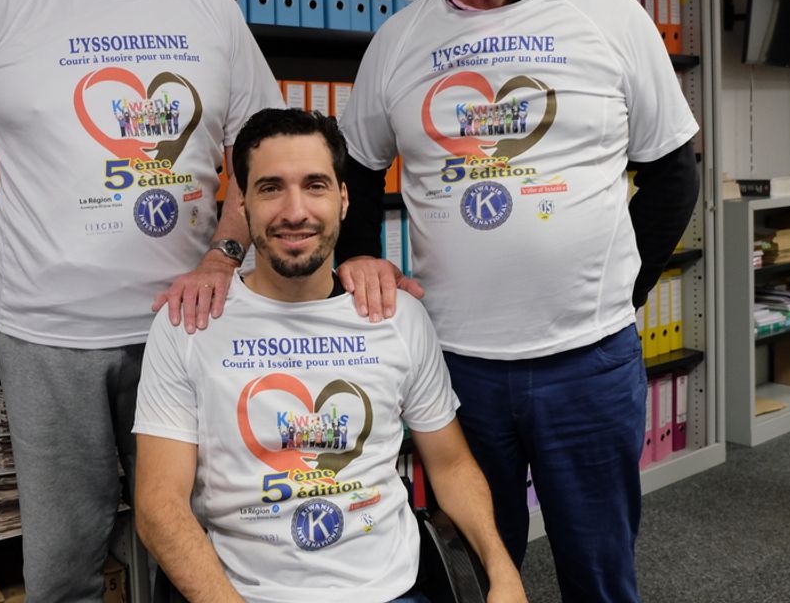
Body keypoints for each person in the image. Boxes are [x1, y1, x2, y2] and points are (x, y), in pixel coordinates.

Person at [334, 0, 700, 603]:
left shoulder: (613, 20)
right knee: (477, 573)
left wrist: (619, 294)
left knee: (599, 570)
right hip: (455, 367)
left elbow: (674, 176)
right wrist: (359, 255)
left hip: (590, 363)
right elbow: (354, 170)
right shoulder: (397, 42)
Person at [0, 0, 282, 601]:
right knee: (61, 562)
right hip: (46, 335)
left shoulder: (212, 12)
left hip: (184, 329)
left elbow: (265, 160)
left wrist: (223, 258)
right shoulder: (5, 2)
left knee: (189, 544)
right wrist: (42, 222)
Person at [133, 109, 526, 603]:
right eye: (271, 187)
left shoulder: (396, 316)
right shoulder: (189, 324)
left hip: (390, 590)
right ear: (243, 204)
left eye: (315, 185)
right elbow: (158, 504)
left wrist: (503, 571)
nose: (295, 212)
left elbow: (450, 466)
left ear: (343, 200)